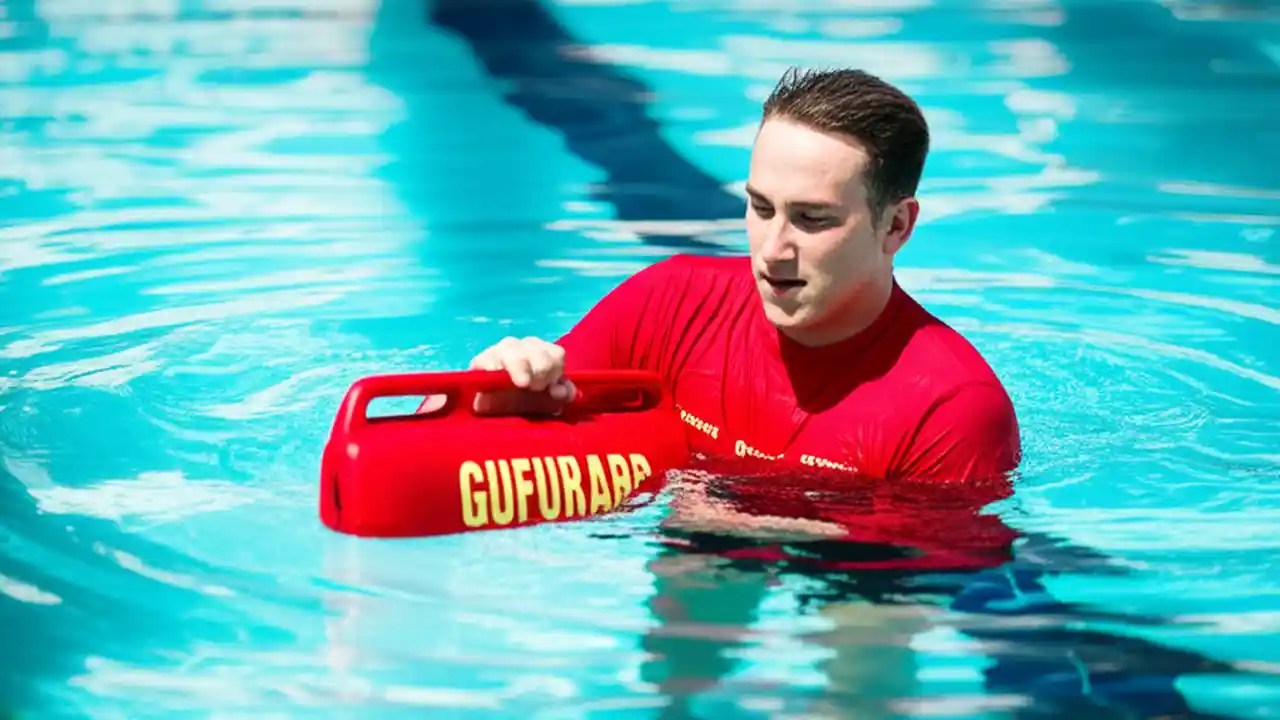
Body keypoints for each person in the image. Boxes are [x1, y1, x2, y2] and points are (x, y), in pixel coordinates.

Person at [467, 66, 1021, 498]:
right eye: (760, 207)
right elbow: (495, 448)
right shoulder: (669, 304)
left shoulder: (951, 409)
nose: (772, 249)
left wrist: (732, 512)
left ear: (895, 225)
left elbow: (916, 578)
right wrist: (496, 397)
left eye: (812, 219)